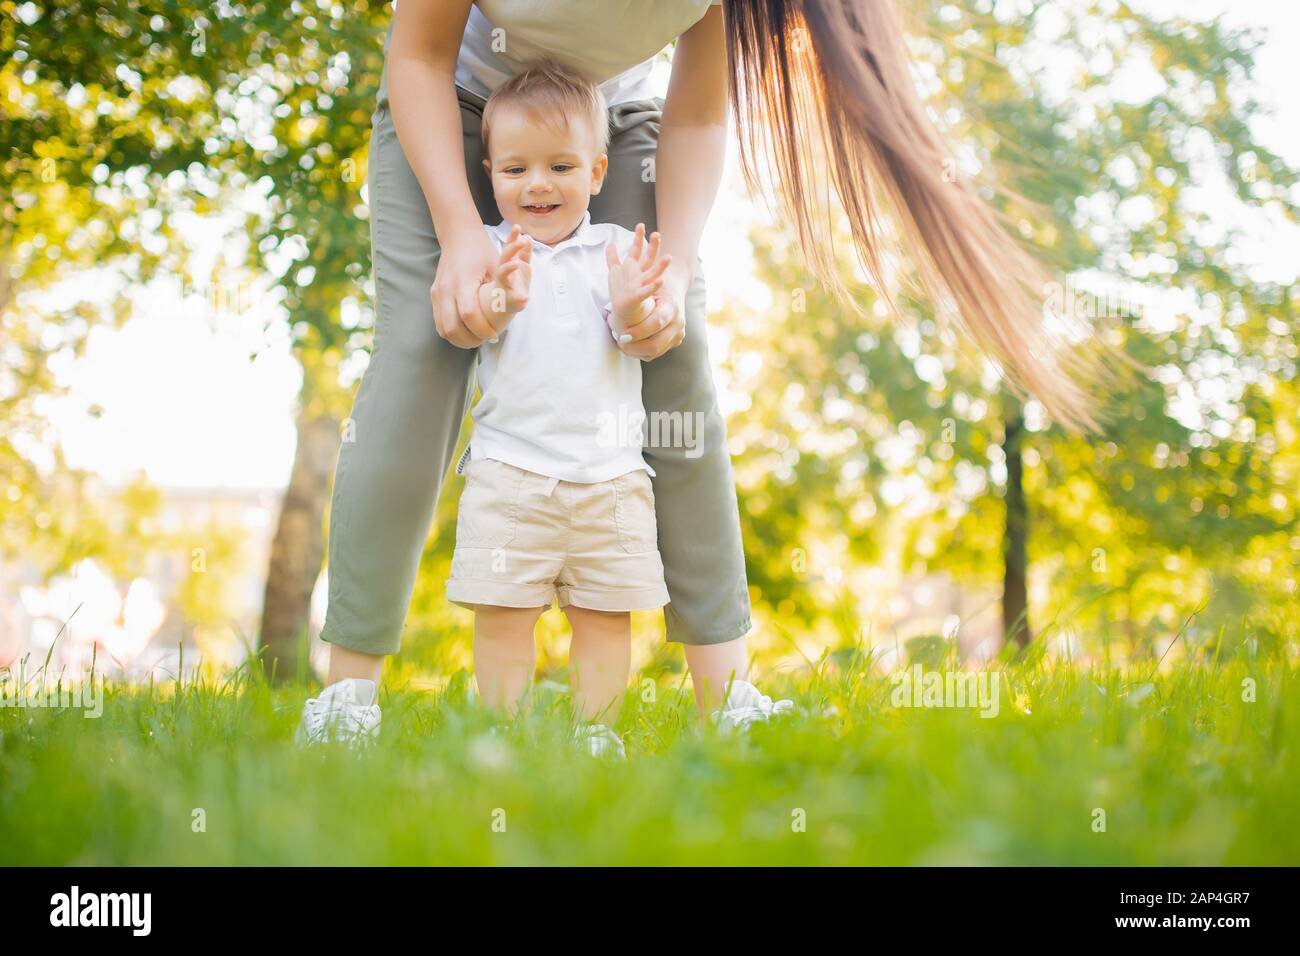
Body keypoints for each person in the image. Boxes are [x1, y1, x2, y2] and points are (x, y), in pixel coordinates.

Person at [297, 0, 1122, 746]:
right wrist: (459, 230)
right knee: (422, 349)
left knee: (674, 360)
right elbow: (418, 54)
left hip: (608, 128)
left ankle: (728, 700)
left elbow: (694, 112)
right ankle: (346, 699)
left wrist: (673, 277)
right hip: (456, 105)